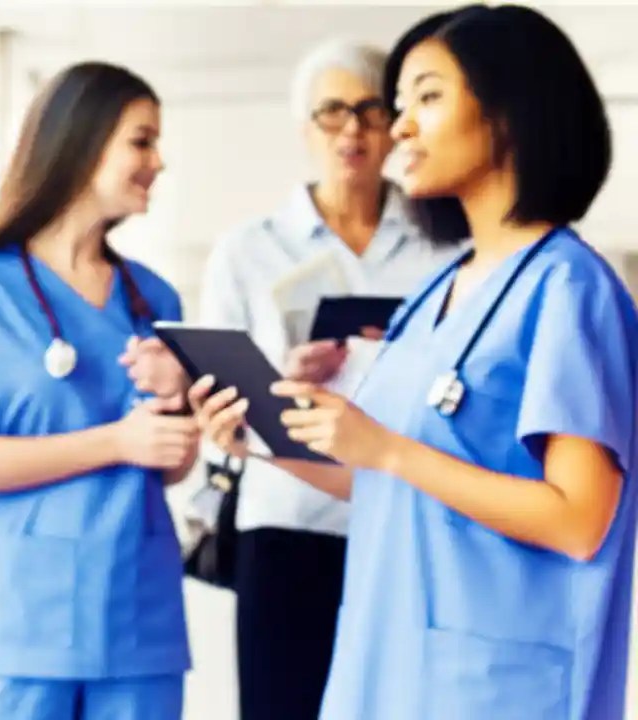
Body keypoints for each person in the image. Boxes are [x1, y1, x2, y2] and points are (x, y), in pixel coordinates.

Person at [193, 5, 637, 719]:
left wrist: (388, 451)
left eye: (426, 98)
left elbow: (581, 517)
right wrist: (260, 444)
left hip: (494, 682)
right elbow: (385, 482)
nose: (398, 128)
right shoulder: (439, 289)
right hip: (388, 662)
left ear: (509, 109)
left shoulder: (570, 288)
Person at [124, 37, 462, 719]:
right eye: (331, 112)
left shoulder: (445, 246)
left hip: (406, 515)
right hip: (285, 521)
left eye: (369, 110)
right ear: (304, 128)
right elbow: (214, 388)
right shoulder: (249, 249)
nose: (352, 130)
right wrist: (279, 379)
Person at [0, 62, 199, 719]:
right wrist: (118, 441)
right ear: (82, 139)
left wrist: (180, 406)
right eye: (142, 140)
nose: (158, 161)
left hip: (137, 621)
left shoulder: (153, 296)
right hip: (17, 623)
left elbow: (174, 461)